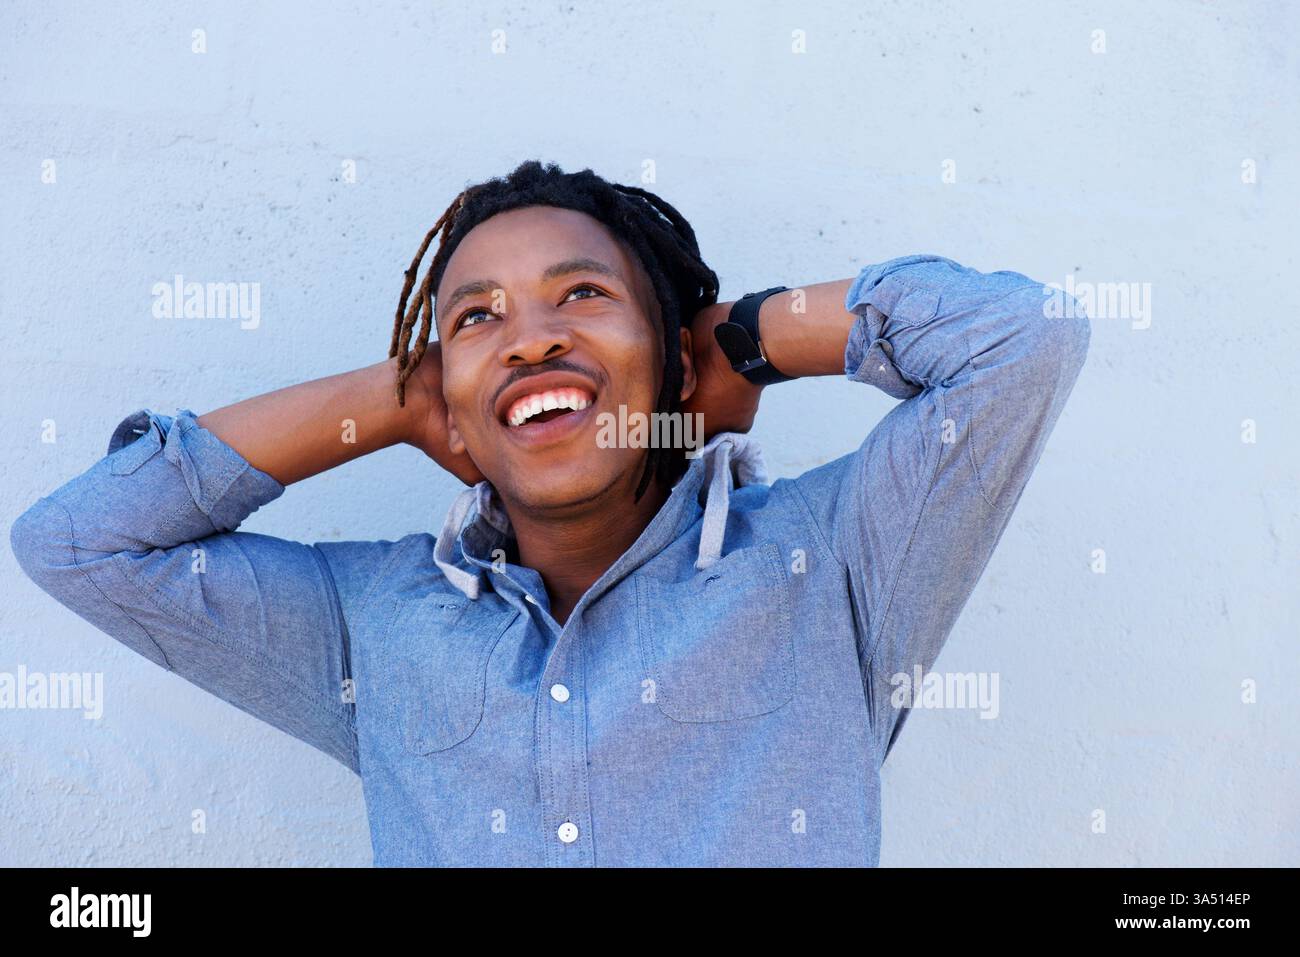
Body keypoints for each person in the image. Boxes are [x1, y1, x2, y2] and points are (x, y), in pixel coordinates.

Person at [10, 159, 1090, 866]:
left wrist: (746, 339)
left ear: (673, 366)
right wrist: (385, 405)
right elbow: (78, 541)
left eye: (582, 294)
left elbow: (1021, 339)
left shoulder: (831, 563)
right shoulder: (367, 627)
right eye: (477, 319)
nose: (529, 339)